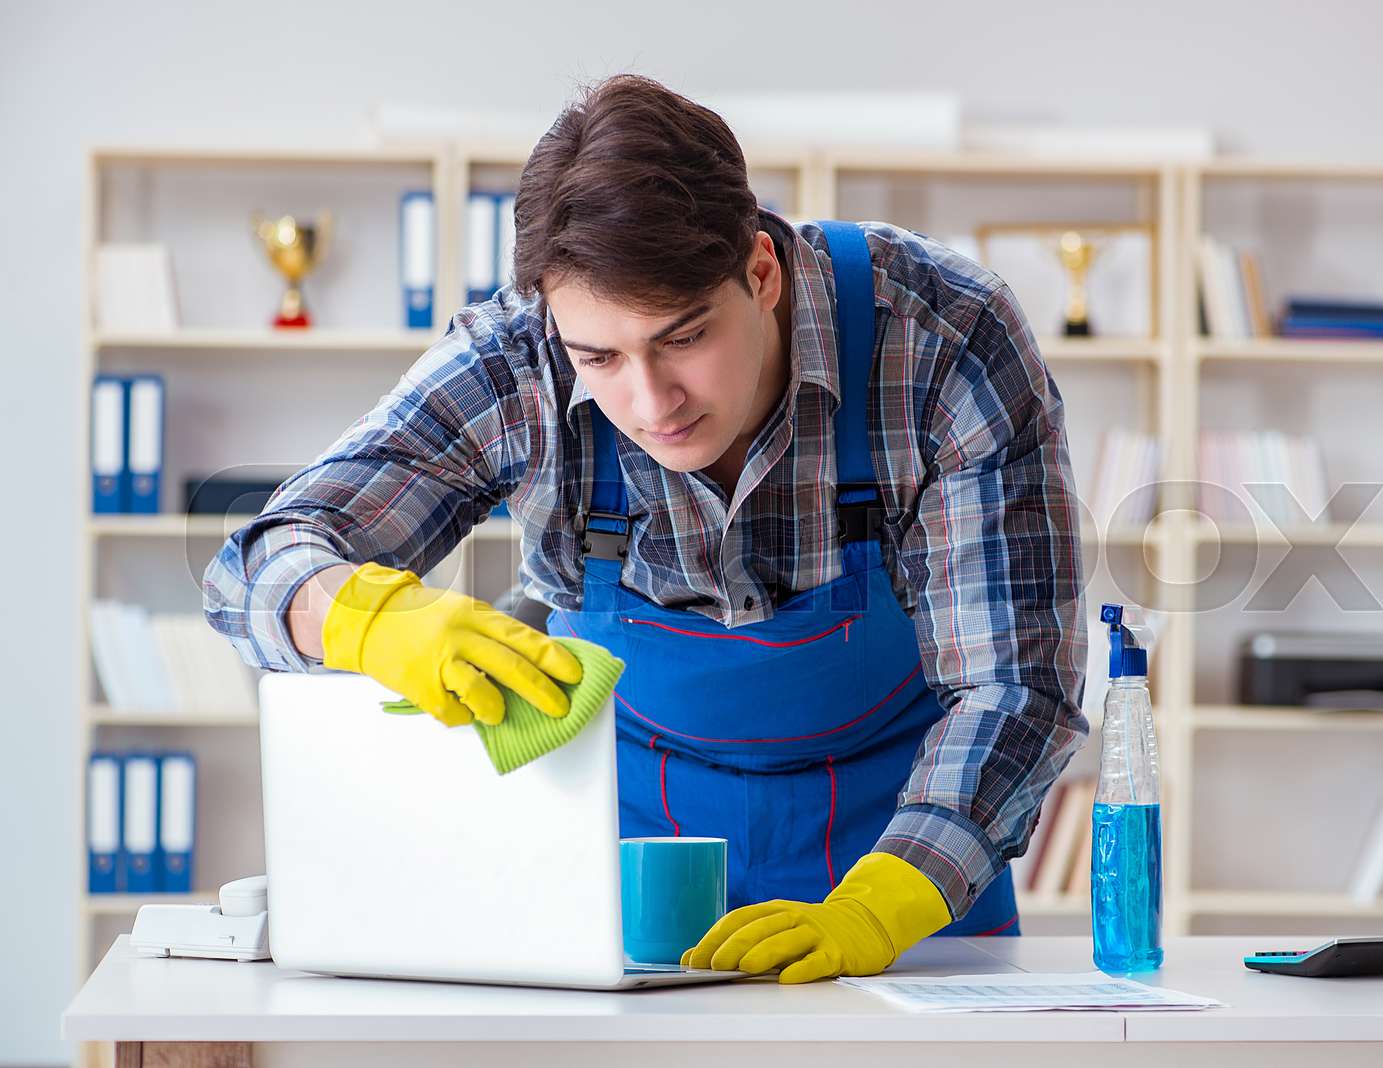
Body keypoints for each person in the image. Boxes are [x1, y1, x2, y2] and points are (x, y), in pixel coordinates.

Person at [204, 74, 1088, 984]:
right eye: (600, 358)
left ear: (760, 272)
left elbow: (1017, 686)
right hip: (618, 873)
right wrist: (367, 617)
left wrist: (882, 905)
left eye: (683, 337)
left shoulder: (945, 337)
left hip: (906, 880)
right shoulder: (518, 362)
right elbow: (255, 562)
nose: (650, 401)